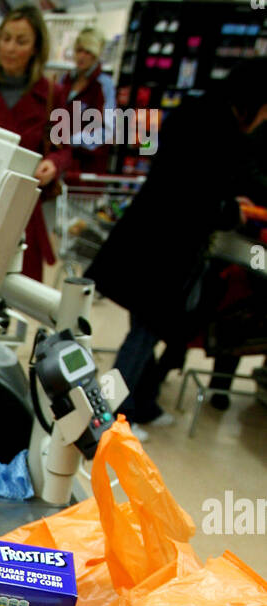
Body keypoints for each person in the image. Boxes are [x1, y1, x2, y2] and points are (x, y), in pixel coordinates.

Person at [86, 59, 267, 430]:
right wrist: (233, 210)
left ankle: (141, 404)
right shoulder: (222, 130)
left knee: (145, 328)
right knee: (144, 333)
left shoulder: (195, 111)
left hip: (145, 236)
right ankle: (111, 414)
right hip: (168, 249)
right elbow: (197, 197)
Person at [0, 6, 68, 282]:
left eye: (21, 41)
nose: (10, 48)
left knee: (14, 289)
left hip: (22, 212)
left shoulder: (54, 96)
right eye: (6, 39)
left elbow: (64, 148)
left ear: (36, 48)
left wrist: (52, 165)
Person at [53, 26, 116, 180]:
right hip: (60, 163)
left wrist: (75, 140)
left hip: (86, 169)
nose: (81, 56)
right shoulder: (66, 79)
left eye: (87, 52)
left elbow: (107, 131)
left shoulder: (104, 85)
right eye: (79, 50)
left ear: (96, 55)